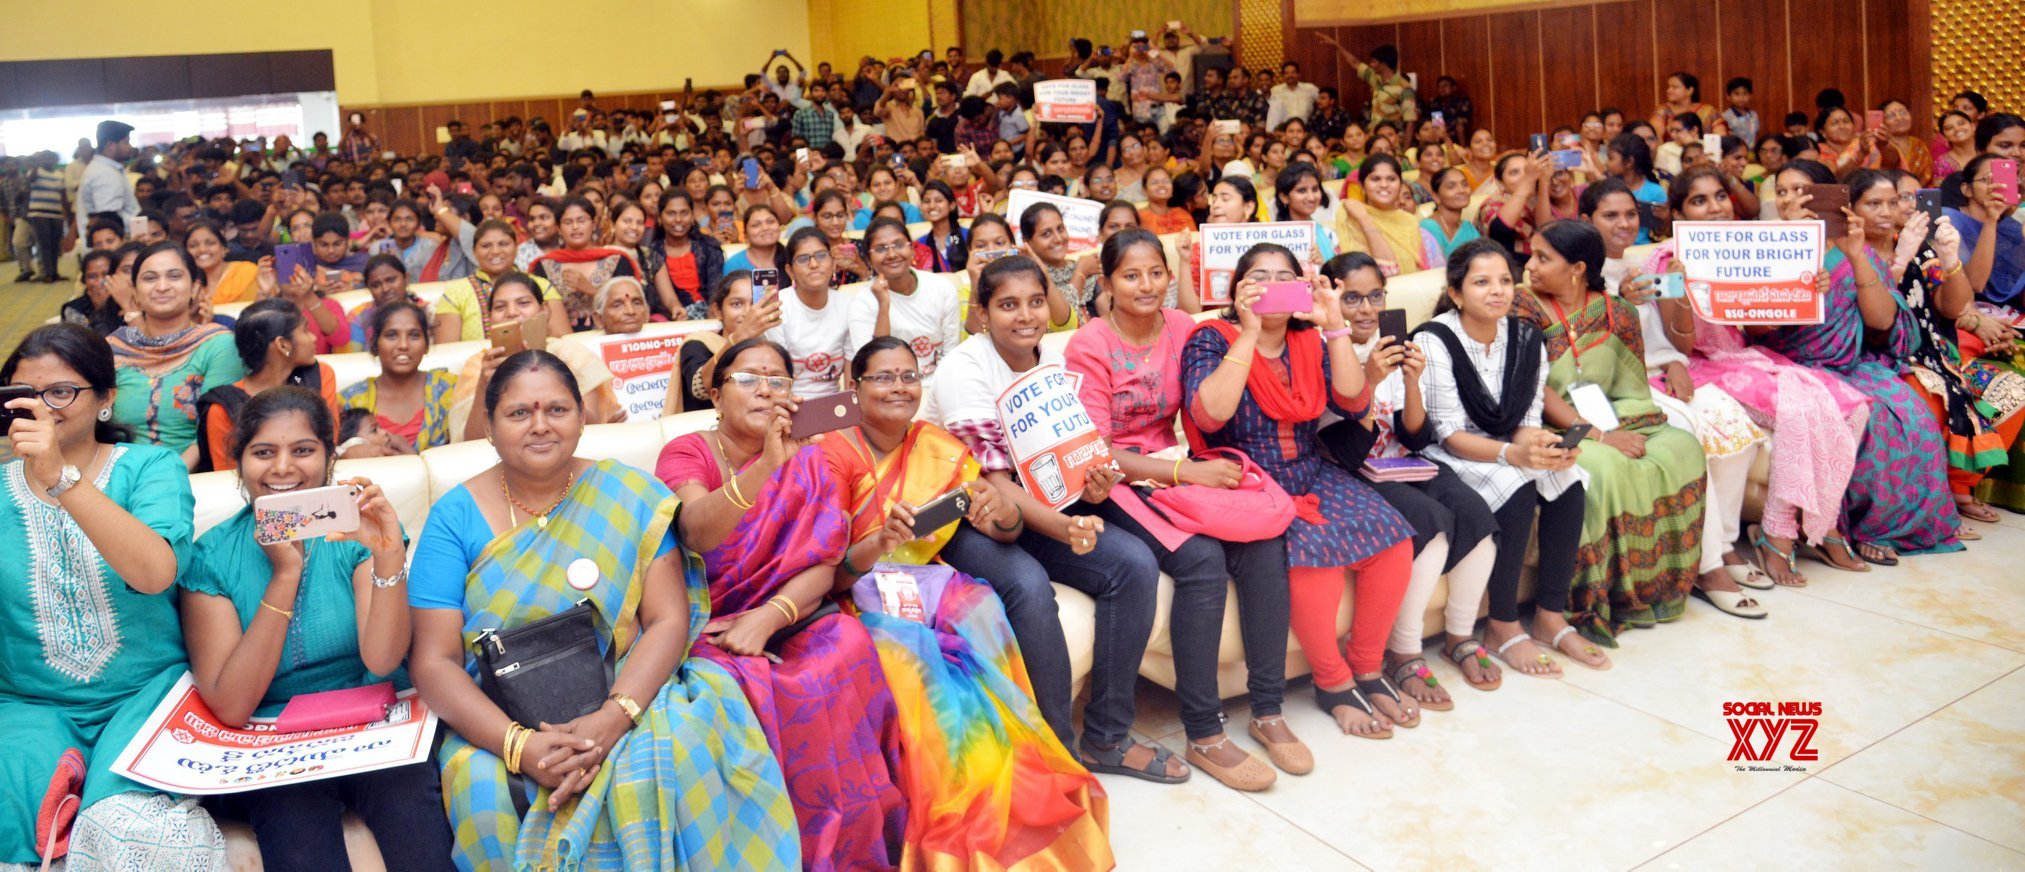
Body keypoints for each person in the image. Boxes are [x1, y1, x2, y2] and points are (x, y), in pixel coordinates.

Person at [409, 350, 798, 870]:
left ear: (583, 416)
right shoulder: (452, 518)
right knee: (482, 792)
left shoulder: (631, 493)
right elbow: (433, 662)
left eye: (557, 409)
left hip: (631, 694)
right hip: (501, 715)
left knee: (672, 753)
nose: (540, 426)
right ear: (489, 426)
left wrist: (614, 718)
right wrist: (519, 747)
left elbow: (666, 620)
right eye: (519, 413)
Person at [819, 337, 1115, 865]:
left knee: (982, 611)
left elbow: (1007, 528)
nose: (899, 387)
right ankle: (950, 807)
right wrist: (881, 542)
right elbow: (823, 562)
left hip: (923, 582)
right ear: (854, 387)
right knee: (918, 664)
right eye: (883, 377)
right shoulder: (829, 452)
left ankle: (1020, 776)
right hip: (853, 592)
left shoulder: (940, 446)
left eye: (909, 376)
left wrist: (997, 513)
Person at [1066, 230, 1307, 789]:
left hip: (1179, 467)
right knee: (1200, 561)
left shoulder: (1182, 327)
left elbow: (1241, 331)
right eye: (1130, 275)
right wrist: (1182, 472)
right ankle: (1205, 732)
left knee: (1263, 541)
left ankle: (1268, 709)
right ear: (1106, 283)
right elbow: (1094, 452)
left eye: (1155, 273)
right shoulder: (1090, 344)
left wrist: (1289, 299)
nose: (1146, 285)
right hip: (1116, 481)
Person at [653, 339, 907, 865]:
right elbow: (695, 532)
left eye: (778, 380)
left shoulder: (812, 459)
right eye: (749, 378)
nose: (766, 390)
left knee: (848, 644)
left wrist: (771, 617)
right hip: (710, 621)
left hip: (788, 613)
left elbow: (822, 565)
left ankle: (852, 845)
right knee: (747, 685)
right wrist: (765, 465)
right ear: (717, 396)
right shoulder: (687, 451)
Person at [180, 387, 453, 871]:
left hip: (373, 728)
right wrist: (284, 575)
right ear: (238, 463)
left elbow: (382, 659)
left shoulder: (356, 537)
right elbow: (231, 703)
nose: (283, 468)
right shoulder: (213, 556)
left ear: (329, 458)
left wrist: (388, 555)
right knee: (295, 828)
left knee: (414, 819)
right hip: (274, 748)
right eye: (263, 452)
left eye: (303, 450)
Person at [928, 256, 1177, 781]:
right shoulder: (963, 369)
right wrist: (1068, 528)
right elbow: (994, 484)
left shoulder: (1055, 362)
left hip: (1034, 508)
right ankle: (1058, 755)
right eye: (1008, 305)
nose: (1025, 316)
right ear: (982, 312)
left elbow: (1068, 465)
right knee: (1027, 583)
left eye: (1036, 302)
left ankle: (1107, 738)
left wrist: (1093, 484)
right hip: (968, 517)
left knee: (1133, 565)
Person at [0, 325, 230, 869]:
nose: (42, 408)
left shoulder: (149, 468)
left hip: (145, 695)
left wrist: (59, 476)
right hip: (31, 705)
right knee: (13, 821)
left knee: (133, 830)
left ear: (105, 399)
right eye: (24, 394)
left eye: (61, 392)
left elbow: (155, 574)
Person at [1180, 242, 1416, 737]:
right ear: (1237, 288)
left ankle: (1367, 667)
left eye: (1283, 276)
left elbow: (1353, 402)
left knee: (1393, 538)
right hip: (1246, 478)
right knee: (1315, 559)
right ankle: (1331, 683)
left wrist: (1333, 325)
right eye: (1258, 276)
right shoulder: (1210, 337)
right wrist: (1247, 333)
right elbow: (1210, 414)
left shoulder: (1309, 338)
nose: (1271, 285)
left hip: (1308, 469)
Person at [1510, 221, 1713, 643]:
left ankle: (1655, 586)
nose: (1529, 265)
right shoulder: (1521, 306)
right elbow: (1534, 389)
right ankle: (1597, 599)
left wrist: (1621, 427)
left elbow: (1631, 388)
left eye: (1543, 257)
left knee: (1682, 446)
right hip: (1543, 421)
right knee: (1599, 467)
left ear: (1578, 268)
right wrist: (1601, 437)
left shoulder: (1617, 311)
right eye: (1532, 254)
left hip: (1616, 414)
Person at [1316, 251, 1502, 703]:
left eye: (1375, 296)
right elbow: (1340, 445)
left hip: (1400, 461)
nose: (1366, 309)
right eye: (1352, 298)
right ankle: (1403, 650)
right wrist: (1370, 380)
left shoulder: (1394, 342)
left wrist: (1412, 382)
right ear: (1330, 297)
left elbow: (1415, 436)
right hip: (1349, 468)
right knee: (1430, 524)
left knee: (1476, 514)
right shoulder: (1322, 349)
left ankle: (1459, 634)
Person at [1592, 171, 1774, 611]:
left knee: (1735, 423)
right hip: (1619, 386)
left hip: (1662, 371)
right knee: (1690, 431)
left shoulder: (1645, 265)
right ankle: (1708, 567)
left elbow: (1671, 338)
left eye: (1629, 214)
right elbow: (1594, 352)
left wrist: (1676, 358)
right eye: (1609, 215)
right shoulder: (1581, 270)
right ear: (1586, 219)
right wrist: (1617, 300)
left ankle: (1727, 544)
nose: (1622, 223)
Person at [1763, 160, 1962, 563]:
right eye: (1781, 192)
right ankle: (1868, 529)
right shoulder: (1767, 247)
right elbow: (1759, 330)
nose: (1790, 200)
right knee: (1867, 419)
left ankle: (1905, 527)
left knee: (1911, 414)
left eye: (1801, 191)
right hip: (1791, 365)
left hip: (1853, 363)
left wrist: (1854, 257)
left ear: (1830, 198)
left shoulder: (1854, 249)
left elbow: (1883, 321)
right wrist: (1791, 256)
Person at [1869, 169, 2025, 527]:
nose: (1909, 206)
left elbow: (1953, 308)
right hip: (1889, 358)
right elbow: (1877, 319)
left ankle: (1959, 485)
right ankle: (1928, 497)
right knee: (1929, 399)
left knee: (2012, 389)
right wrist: (1901, 258)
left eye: (1913, 196)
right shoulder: (1859, 249)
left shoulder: (1927, 249)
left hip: (1936, 355)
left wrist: (1950, 257)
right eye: (1898, 199)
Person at [109, 242, 246, 465]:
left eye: (174, 276)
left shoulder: (218, 345)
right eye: (150, 278)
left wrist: (168, 479)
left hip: (194, 481)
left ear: (194, 287)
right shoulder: (113, 349)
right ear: (134, 291)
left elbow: (215, 428)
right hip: (119, 477)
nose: (162, 286)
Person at [450, 272, 624, 441]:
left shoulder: (572, 354)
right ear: (490, 319)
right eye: (500, 307)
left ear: (544, 310)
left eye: (523, 303)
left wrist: (541, 369)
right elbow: (473, 442)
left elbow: (589, 427)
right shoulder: (480, 366)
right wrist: (484, 385)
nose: (512, 312)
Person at [197, 298, 339, 473]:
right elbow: (227, 477)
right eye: (305, 330)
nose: (314, 338)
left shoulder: (318, 376)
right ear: (283, 344)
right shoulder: (223, 408)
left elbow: (327, 447)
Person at [342, 302, 458, 452]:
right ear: (375, 345)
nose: (403, 345)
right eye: (391, 335)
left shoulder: (448, 388)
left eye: (414, 335)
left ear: (427, 345)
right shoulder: (349, 402)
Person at [850, 217, 961, 374]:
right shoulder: (862, 302)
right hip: (890, 389)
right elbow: (872, 366)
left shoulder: (942, 288)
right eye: (881, 249)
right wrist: (883, 306)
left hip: (940, 383)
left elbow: (952, 354)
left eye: (899, 245)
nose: (892, 254)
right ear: (868, 259)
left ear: (913, 249)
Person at [433, 219, 569, 343]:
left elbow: (563, 339)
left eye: (503, 244)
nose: (495, 251)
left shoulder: (541, 285)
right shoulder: (456, 292)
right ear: (474, 251)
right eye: (486, 246)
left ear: (516, 248)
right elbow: (448, 352)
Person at [527, 196, 643, 333]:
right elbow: (539, 312)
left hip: (611, 337)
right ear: (558, 228)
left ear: (593, 224)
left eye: (581, 220)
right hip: (562, 342)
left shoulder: (617, 260)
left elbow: (632, 306)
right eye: (568, 222)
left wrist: (591, 290)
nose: (575, 227)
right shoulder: (544, 265)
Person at [764, 228, 853, 397]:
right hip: (789, 402)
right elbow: (777, 375)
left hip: (836, 404)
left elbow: (850, 373)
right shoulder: (778, 307)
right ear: (790, 271)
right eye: (803, 259)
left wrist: (849, 411)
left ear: (833, 262)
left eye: (821, 256)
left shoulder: (847, 305)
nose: (814, 264)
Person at [1337, 154, 1425, 274]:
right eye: (1375, 179)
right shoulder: (1351, 216)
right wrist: (1364, 219)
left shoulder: (1409, 221)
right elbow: (1388, 272)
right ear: (1362, 186)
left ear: (1400, 185)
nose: (1384, 185)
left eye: (1391, 179)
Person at [647, 191, 726, 318]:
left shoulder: (709, 247)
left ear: (693, 216)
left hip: (710, 315)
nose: (678, 220)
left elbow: (715, 290)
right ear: (660, 218)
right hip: (670, 318)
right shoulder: (651, 253)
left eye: (684, 213)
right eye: (671, 214)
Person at [1314, 36, 1416, 127]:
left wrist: (1406, 148)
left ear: (1384, 64)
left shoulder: (1404, 88)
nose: (1371, 65)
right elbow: (1355, 63)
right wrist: (1336, 45)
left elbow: (1410, 121)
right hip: (1375, 134)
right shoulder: (1375, 78)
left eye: (1374, 62)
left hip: (1394, 137)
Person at [75, 120, 139, 239]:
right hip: (111, 244)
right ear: (110, 145)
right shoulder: (104, 173)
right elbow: (109, 218)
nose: (130, 147)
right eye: (126, 142)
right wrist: (139, 223)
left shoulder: (106, 169)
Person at [184, 220, 260, 305]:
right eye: (193, 245)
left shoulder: (246, 272)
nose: (202, 249)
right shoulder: (188, 286)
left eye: (210, 243)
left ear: (224, 249)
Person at [1418, 167, 1482, 267]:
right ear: (1436, 197)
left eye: (1464, 184)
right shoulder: (1428, 227)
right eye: (1451, 187)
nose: (1461, 190)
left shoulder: (1468, 227)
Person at [62, 249, 125, 335]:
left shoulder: (126, 303)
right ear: (84, 280)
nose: (100, 282)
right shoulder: (74, 310)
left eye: (106, 274)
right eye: (92, 276)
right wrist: (100, 310)